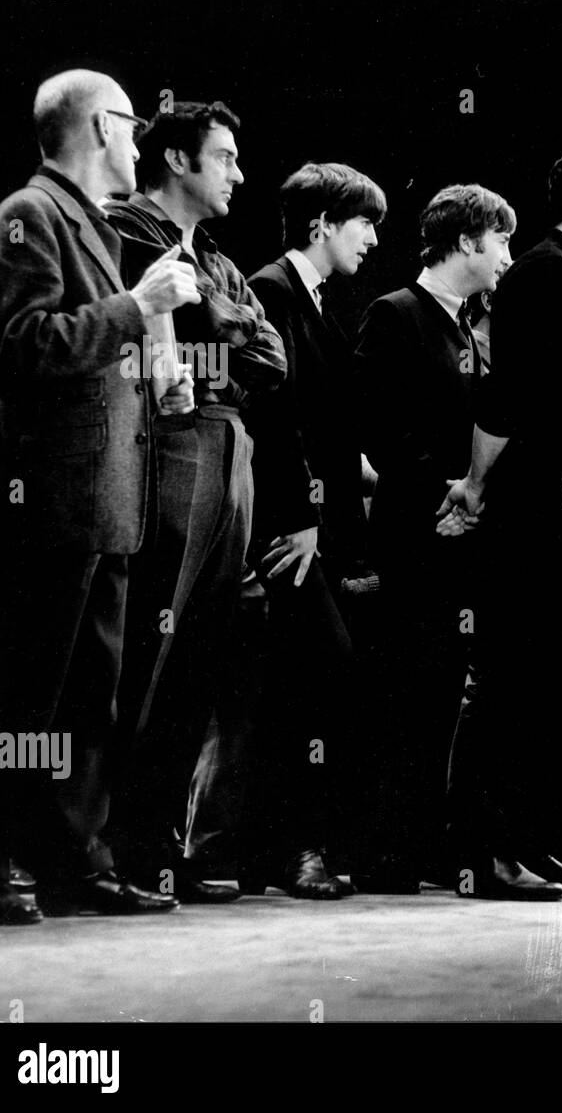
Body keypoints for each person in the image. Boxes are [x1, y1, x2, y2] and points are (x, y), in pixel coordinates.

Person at [0, 70, 196, 923]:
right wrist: (138, 309)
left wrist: (154, 373)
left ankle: (73, 860)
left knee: (84, 702)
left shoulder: (84, 223)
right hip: (45, 504)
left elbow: (84, 352)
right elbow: (25, 347)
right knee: (20, 697)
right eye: (133, 127)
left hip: (98, 503)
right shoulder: (27, 216)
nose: (138, 144)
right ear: (102, 126)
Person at [438, 148, 562, 900]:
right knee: (517, 679)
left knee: (552, 683)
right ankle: (490, 851)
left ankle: (532, 841)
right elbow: (505, 397)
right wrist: (478, 484)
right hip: (538, 505)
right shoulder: (546, 273)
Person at [104, 100, 289, 901]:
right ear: (178, 160)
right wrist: (228, 322)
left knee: (202, 656)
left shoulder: (210, 253)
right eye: (224, 157)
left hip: (227, 440)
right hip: (172, 442)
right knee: (154, 646)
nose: (238, 174)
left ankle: (158, 844)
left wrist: (227, 320)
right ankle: (117, 844)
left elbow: (274, 359)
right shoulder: (131, 229)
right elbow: (209, 325)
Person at [351, 183, 512, 892]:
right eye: (501, 240)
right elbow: (380, 428)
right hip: (413, 534)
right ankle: (388, 850)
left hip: (459, 534)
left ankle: (418, 844)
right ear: (469, 240)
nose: (507, 255)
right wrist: (444, 490)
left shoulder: (465, 325)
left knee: (442, 693)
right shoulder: (396, 314)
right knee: (403, 693)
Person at [244, 162, 387, 896]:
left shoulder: (313, 301)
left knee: (298, 684)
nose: (371, 237)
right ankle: (297, 848)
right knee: (320, 674)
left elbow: (327, 429)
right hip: (286, 528)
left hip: (316, 524)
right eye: (363, 222)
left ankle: (282, 847)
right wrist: (300, 520)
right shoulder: (271, 290)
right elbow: (275, 417)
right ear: (322, 223)